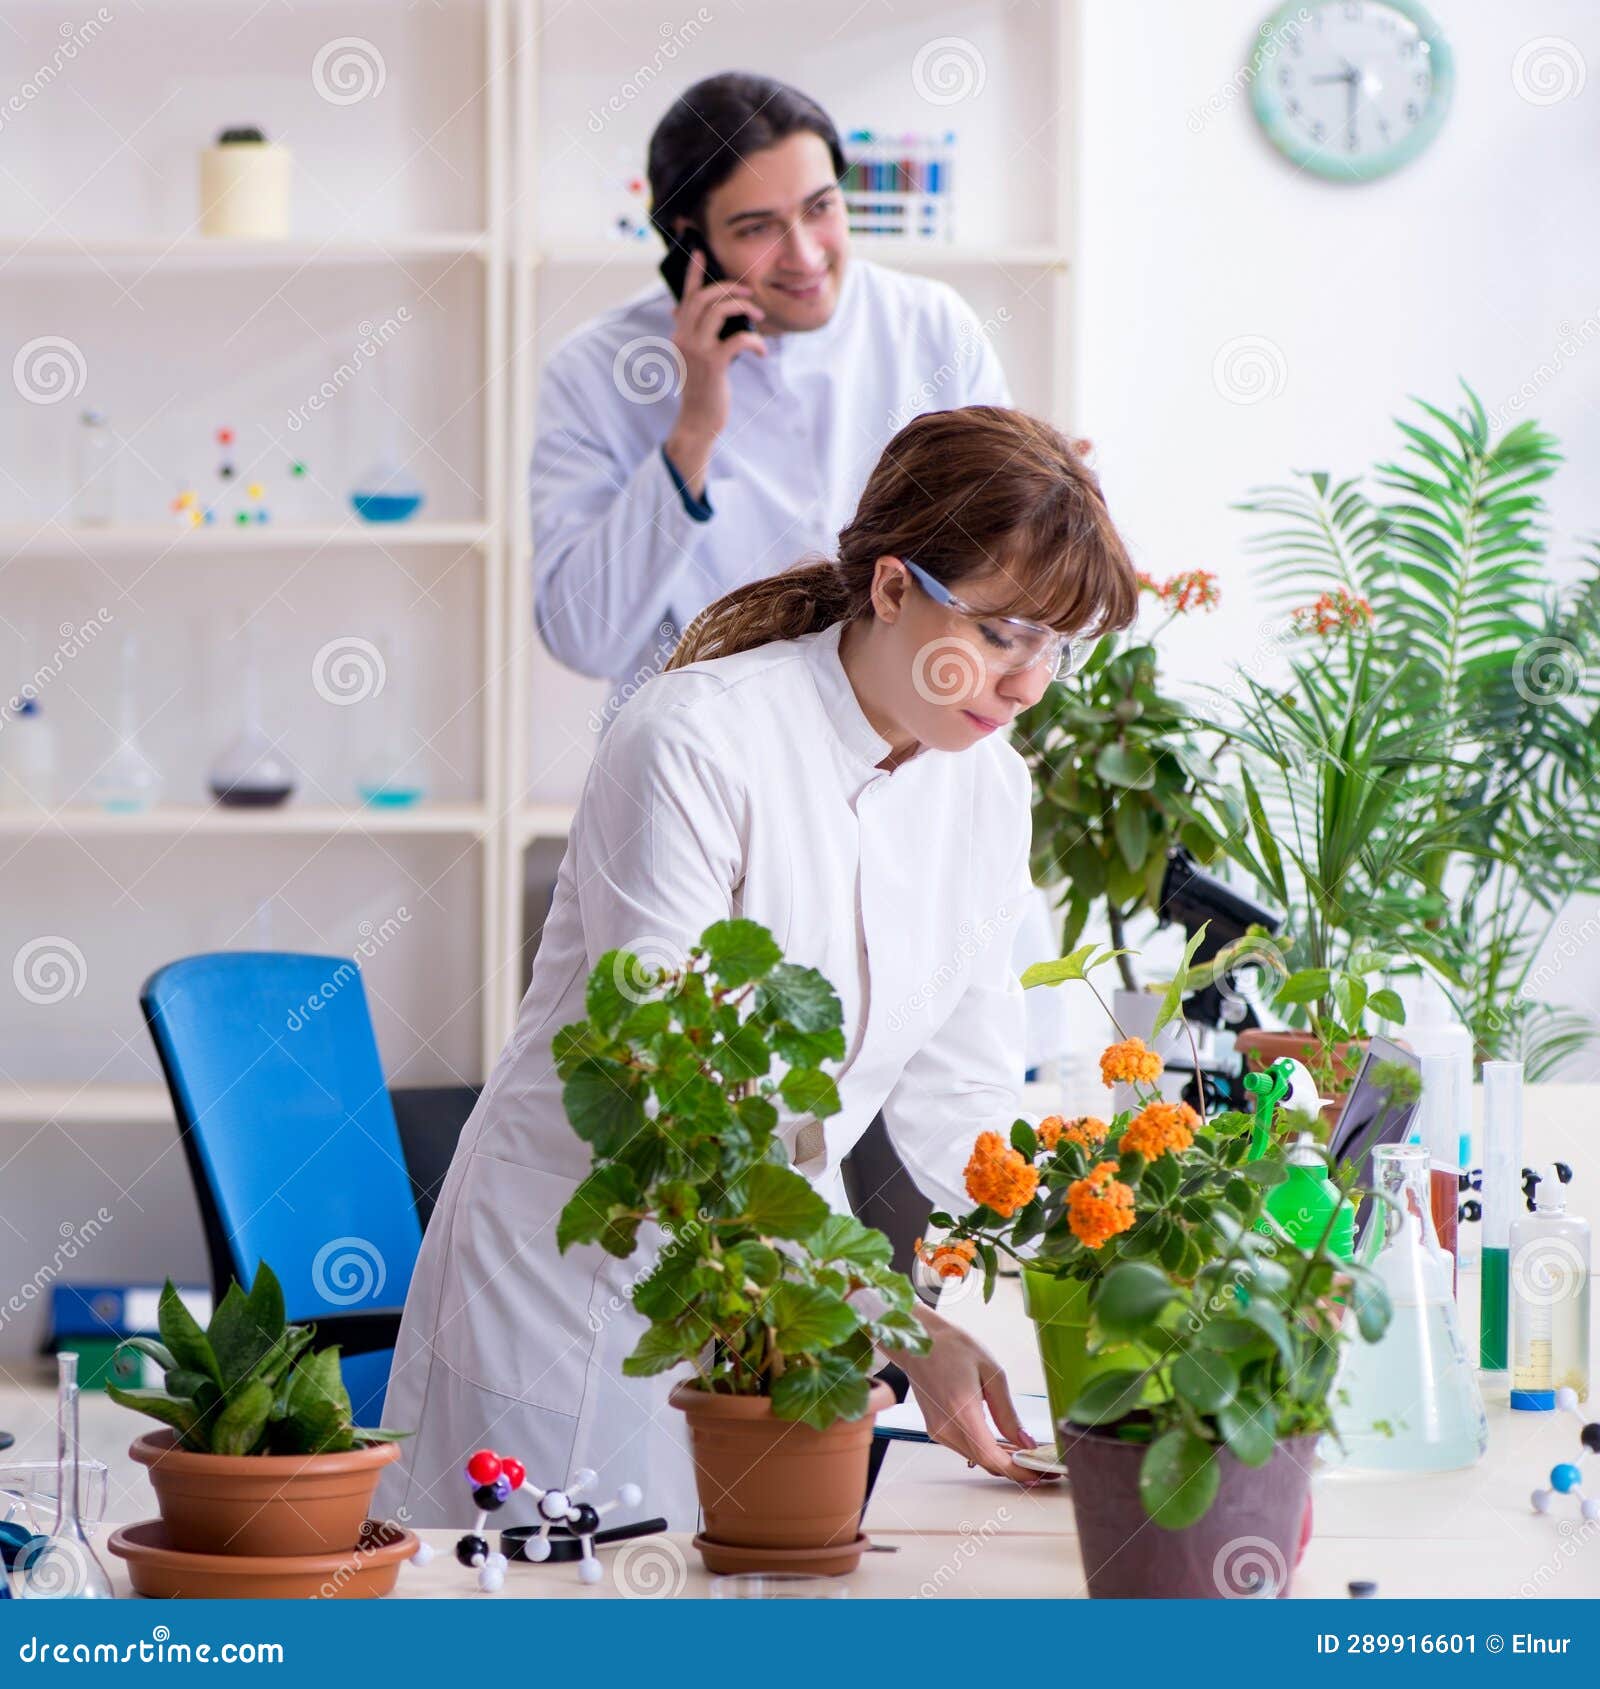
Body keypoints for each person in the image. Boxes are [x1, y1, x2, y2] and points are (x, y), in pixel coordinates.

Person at [377, 406, 1140, 1530]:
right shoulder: (695, 739)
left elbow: (960, 1101)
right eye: (1000, 633)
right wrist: (893, 1320)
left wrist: (1116, 1244)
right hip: (572, 1287)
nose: (1028, 683)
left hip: (761, 1294)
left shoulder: (984, 788)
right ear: (892, 589)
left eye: (1056, 645)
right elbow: (677, 1094)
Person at [531, 72, 1010, 694]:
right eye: (757, 228)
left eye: (821, 208)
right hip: (694, 750)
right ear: (689, 242)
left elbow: (1001, 567)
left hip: (896, 744)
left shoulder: (932, 326)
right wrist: (694, 430)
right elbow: (583, 640)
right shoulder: (597, 368)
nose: (806, 257)